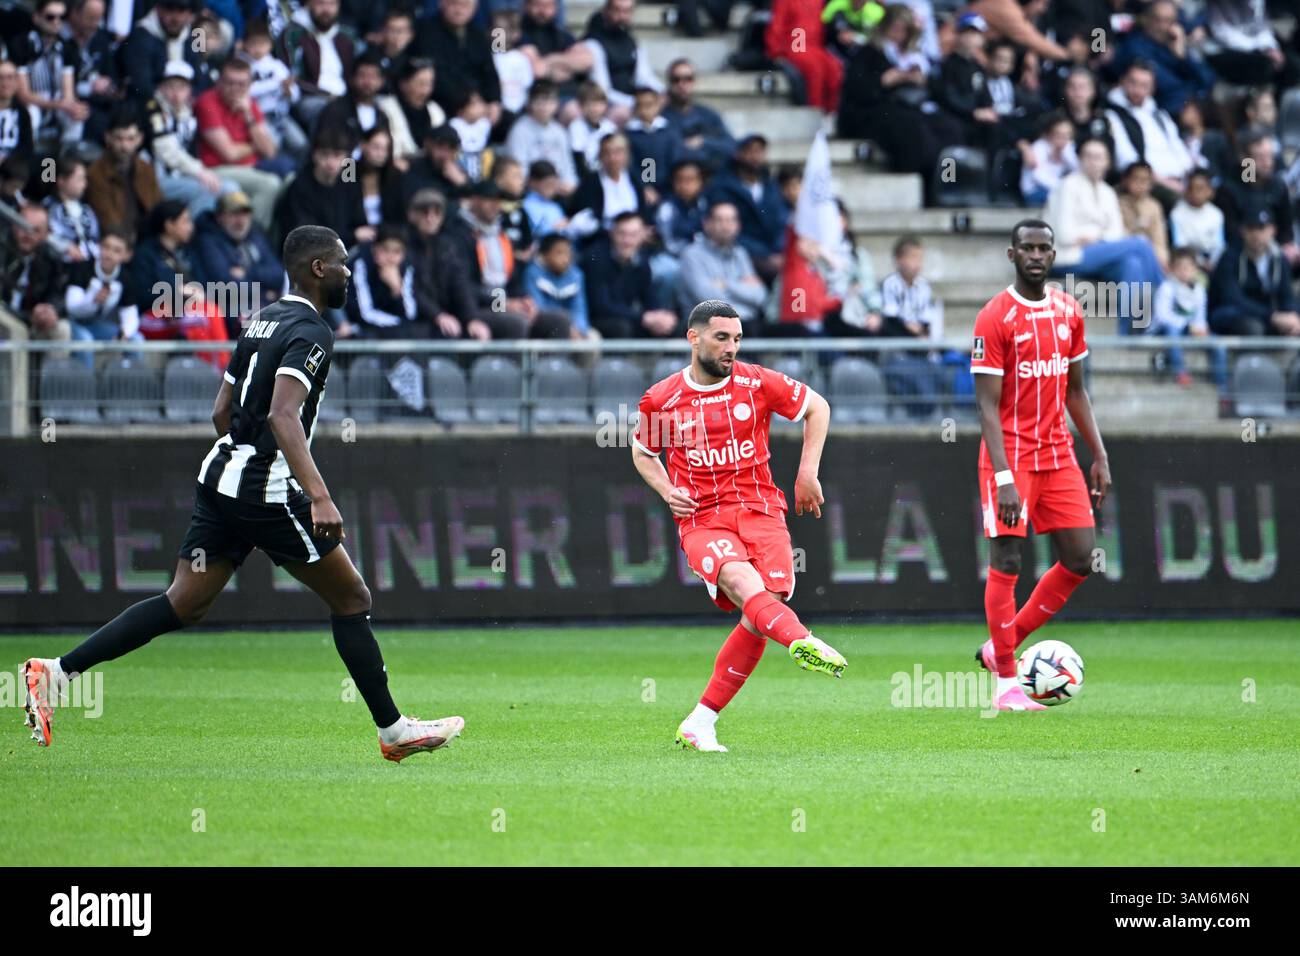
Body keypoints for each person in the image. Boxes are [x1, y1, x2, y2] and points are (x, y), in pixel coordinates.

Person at [21, 224, 464, 760]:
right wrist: (318, 495)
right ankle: (394, 733)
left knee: (183, 602)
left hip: (219, 478)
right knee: (352, 598)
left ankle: (57, 673)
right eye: (343, 263)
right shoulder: (313, 331)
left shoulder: (262, 320)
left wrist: (241, 460)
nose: (349, 272)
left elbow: (220, 412)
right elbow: (283, 414)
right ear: (319, 268)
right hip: (265, 491)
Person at [630, 298, 843, 752]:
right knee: (747, 587)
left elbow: (818, 407)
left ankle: (700, 721)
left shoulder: (755, 383)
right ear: (694, 338)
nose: (732, 348)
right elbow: (643, 453)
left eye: (737, 339)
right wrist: (668, 491)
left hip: (762, 509)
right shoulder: (663, 399)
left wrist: (808, 472)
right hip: (703, 519)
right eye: (722, 338)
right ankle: (802, 640)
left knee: (766, 605)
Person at [971, 218, 1111, 711]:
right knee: (1008, 560)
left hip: (1057, 453)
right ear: (1012, 255)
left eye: (1044, 248)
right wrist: (1004, 476)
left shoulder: (1069, 311)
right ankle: (1007, 682)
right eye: (1027, 248)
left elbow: (1075, 390)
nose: (1036, 255)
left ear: (1053, 255)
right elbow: (986, 405)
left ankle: (1000, 644)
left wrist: (1098, 452)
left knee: (1079, 557)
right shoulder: (994, 316)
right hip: (1010, 457)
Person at [1044, 137, 1164, 333]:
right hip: (1068, 256)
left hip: (1098, 255)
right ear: (1080, 159)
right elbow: (1064, 235)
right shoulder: (1067, 186)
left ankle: (1129, 332)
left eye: (1099, 157)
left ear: (1107, 162)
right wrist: (1099, 237)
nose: (1093, 161)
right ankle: (1164, 297)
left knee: (1132, 264)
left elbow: (1116, 234)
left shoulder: (1108, 192)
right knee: (1140, 244)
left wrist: (1093, 238)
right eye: (1088, 156)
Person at [195, 57, 291, 231]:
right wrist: (255, 145)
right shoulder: (207, 102)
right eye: (230, 83)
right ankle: (253, 235)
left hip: (252, 166)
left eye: (241, 84)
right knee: (269, 184)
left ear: (249, 85)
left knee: (292, 179)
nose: (235, 89)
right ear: (219, 82)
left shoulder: (249, 105)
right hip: (217, 170)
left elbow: (270, 151)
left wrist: (248, 116)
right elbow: (229, 154)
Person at [144, 61, 230, 218]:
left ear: (189, 90)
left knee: (230, 188)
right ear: (161, 87)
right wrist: (199, 172)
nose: (176, 95)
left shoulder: (188, 114)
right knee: (205, 190)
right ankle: (189, 234)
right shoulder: (153, 110)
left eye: (181, 88)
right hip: (157, 178)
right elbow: (166, 151)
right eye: (170, 87)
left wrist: (201, 172)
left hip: (183, 174)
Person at [193, 190, 285, 330]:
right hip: (229, 310)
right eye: (234, 214)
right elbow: (224, 285)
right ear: (219, 217)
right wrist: (265, 293)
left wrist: (248, 272)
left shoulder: (255, 236)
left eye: (245, 214)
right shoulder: (208, 241)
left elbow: (279, 274)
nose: (240, 221)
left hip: (260, 306)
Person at [704, 134, 786, 282]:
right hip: (740, 250)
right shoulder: (723, 187)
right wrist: (766, 254)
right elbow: (726, 228)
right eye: (750, 151)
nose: (755, 157)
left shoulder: (771, 186)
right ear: (738, 154)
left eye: (759, 151)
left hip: (773, 252)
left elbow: (781, 221)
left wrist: (777, 250)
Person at [581, 210, 675, 337]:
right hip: (596, 320)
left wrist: (660, 316)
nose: (627, 241)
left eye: (634, 235)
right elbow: (600, 306)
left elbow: (649, 297)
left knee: (671, 326)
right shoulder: (595, 258)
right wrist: (643, 317)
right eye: (622, 234)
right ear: (612, 233)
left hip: (625, 317)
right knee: (622, 327)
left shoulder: (642, 260)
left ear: (642, 235)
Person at [676, 201, 765, 333]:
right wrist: (743, 289)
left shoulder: (740, 253)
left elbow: (760, 296)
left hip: (744, 323)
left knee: (794, 331)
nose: (726, 226)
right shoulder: (692, 255)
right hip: (705, 326)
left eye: (731, 220)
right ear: (707, 224)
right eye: (720, 220)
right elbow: (708, 299)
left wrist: (726, 285)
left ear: (738, 225)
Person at [1208, 208, 1300, 337]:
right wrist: (1272, 316)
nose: (1256, 234)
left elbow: (1287, 295)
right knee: (1253, 326)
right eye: (1251, 228)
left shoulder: (1279, 258)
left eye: (1261, 228)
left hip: (1265, 313)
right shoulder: (1229, 257)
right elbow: (1233, 299)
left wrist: (1293, 316)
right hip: (1230, 313)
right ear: (1243, 231)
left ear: (1272, 230)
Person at [86, 108, 163, 243]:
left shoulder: (146, 169)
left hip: (147, 239)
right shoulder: (96, 173)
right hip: (118, 242)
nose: (125, 146)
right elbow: (106, 220)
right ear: (108, 138)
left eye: (130, 139)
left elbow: (157, 207)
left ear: (140, 139)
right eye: (119, 138)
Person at [1148, 246, 1219, 387]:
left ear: (1195, 270)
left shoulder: (1199, 291)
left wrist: (1201, 328)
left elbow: (1200, 316)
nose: (1184, 272)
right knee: (1172, 331)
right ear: (1172, 269)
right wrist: (1187, 326)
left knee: (1218, 343)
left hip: (1189, 330)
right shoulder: (1166, 288)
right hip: (1163, 331)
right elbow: (1162, 316)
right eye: (1180, 267)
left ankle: (1221, 385)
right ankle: (1180, 371)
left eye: (1188, 267)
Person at [63, 228, 140, 344]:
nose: (109, 254)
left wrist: (125, 333)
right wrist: (93, 300)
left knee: (136, 339)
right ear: (98, 246)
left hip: (97, 325)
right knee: (85, 340)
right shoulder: (82, 269)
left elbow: (130, 313)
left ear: (127, 255)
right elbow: (72, 308)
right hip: (71, 323)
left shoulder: (126, 278)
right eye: (106, 247)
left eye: (117, 251)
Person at [766, 0, 844, 114]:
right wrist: (776, 51)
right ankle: (815, 113)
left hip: (816, 47)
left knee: (835, 68)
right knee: (814, 69)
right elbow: (777, 25)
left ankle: (831, 114)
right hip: (796, 45)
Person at [661, 58, 734, 174]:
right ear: (669, 83)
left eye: (688, 79)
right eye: (676, 80)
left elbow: (731, 147)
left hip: (710, 183)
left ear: (694, 82)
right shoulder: (658, 118)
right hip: (670, 185)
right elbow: (647, 156)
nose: (681, 84)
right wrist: (648, 185)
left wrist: (704, 142)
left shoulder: (709, 115)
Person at [506, 79, 579, 194]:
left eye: (549, 101)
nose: (544, 107)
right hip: (531, 189)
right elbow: (519, 168)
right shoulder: (519, 130)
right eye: (540, 102)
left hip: (559, 189)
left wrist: (570, 184)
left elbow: (568, 166)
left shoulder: (559, 131)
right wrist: (545, 184)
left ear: (556, 104)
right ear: (530, 103)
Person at [523, 233, 595, 340]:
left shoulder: (576, 275)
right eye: (559, 253)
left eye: (568, 253)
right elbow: (538, 308)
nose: (566, 259)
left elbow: (579, 308)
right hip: (544, 327)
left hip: (573, 327)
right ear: (544, 255)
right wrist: (567, 327)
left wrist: (579, 329)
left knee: (593, 338)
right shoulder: (532, 273)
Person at [1170, 168, 1226, 270]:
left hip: (1212, 261)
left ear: (1210, 191)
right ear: (1186, 190)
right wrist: (1200, 262)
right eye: (1191, 188)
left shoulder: (1216, 214)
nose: (1195, 193)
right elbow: (1179, 245)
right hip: (1188, 261)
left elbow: (1219, 244)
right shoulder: (1177, 213)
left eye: (1200, 189)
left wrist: (1212, 262)